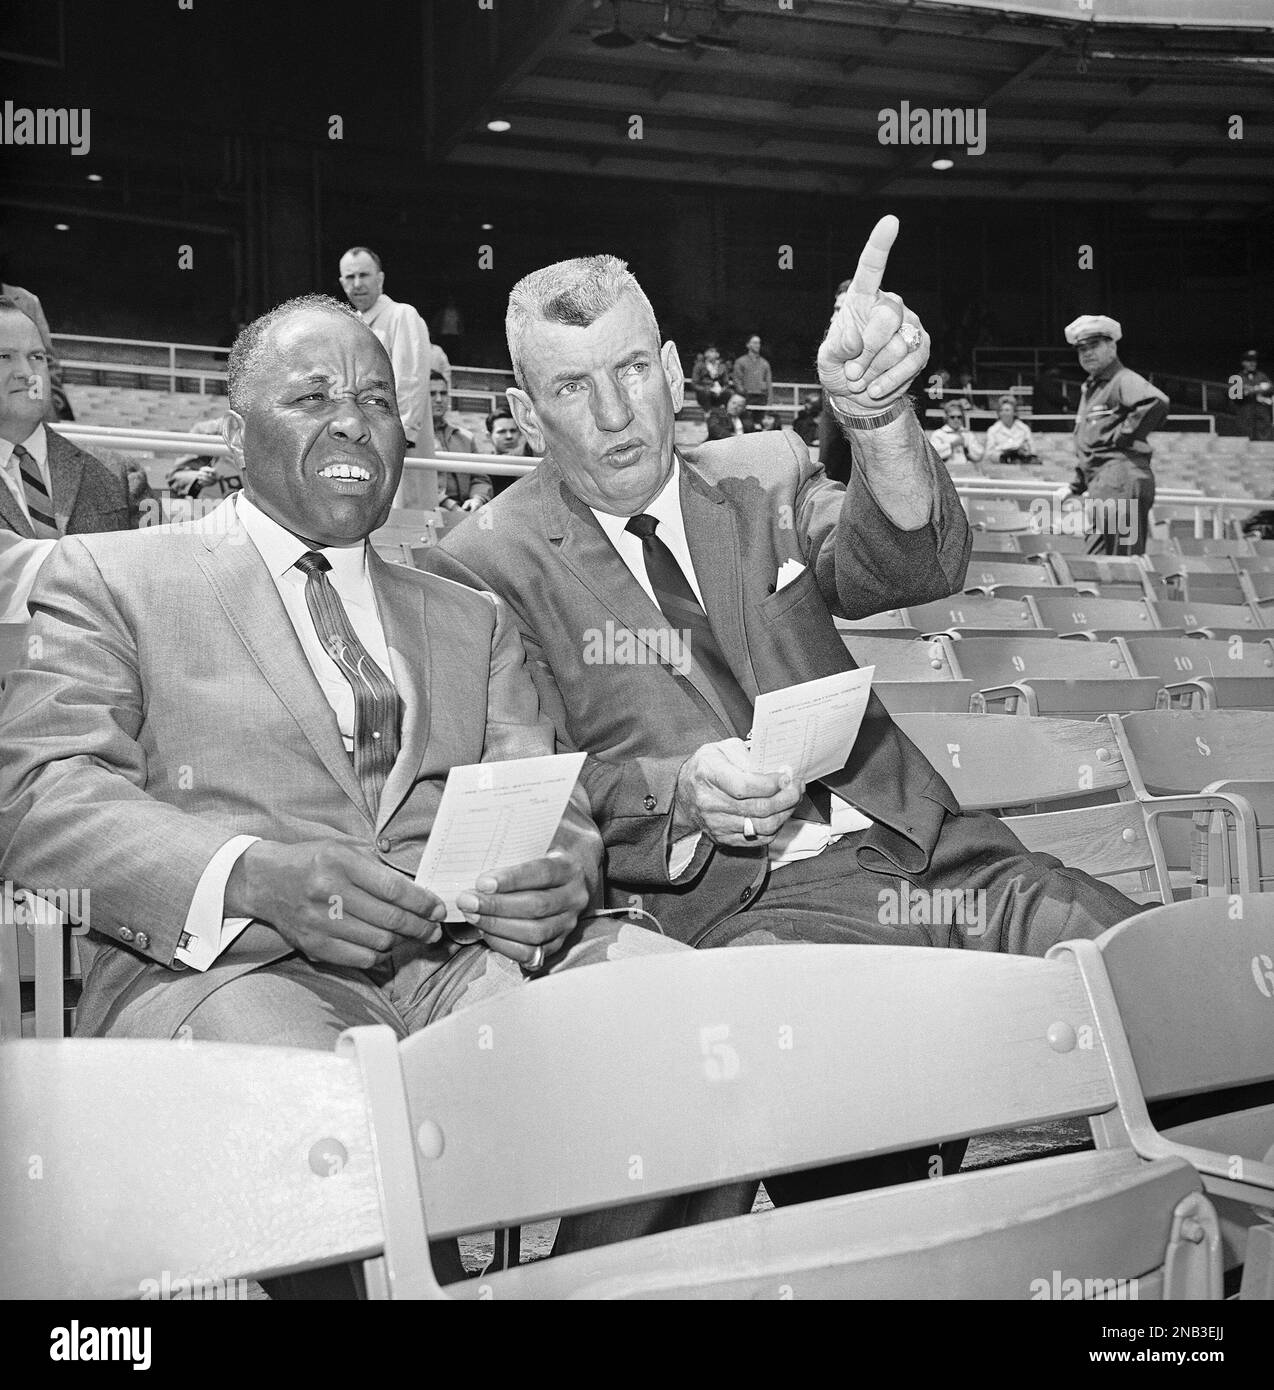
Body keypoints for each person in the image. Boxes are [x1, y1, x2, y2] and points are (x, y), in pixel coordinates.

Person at [425, 228, 1143, 1219]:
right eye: (569, 388)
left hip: (935, 856)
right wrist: (678, 790)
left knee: (1177, 998)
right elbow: (530, 796)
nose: (613, 411)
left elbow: (907, 566)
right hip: (747, 910)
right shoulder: (478, 561)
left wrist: (880, 418)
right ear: (518, 410)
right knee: (703, 1112)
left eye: (632, 369)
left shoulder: (760, 468)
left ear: (672, 369)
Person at [0, 294, 692, 1283]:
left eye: (375, 396)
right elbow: (44, 797)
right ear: (233, 430)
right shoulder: (112, 578)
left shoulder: (469, 616)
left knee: (689, 1021)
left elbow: (553, 801)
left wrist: (557, 867)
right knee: (334, 1128)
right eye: (312, 393)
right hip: (236, 975)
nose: (351, 417)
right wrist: (256, 878)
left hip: (464, 962)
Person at [0, 299, 150, 540]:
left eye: (37, 357)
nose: (28, 373)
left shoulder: (121, 477)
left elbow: (153, 572)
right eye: (5, 356)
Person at [1065, 313, 1168, 557]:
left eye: (1094, 346)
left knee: (1124, 567)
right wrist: (1076, 485)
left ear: (1112, 346)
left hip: (1120, 478)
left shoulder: (1122, 379)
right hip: (1102, 483)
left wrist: (1121, 438)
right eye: (1081, 349)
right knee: (1097, 564)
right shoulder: (1092, 387)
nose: (1087, 353)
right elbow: (1090, 444)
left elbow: (1156, 401)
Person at [337, 246, 437, 462]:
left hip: (396, 443)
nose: (357, 284)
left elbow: (410, 380)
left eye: (364, 275)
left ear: (380, 279)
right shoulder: (348, 325)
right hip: (360, 439)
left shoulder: (402, 315)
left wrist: (403, 434)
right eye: (350, 277)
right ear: (342, 283)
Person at [430, 371, 492, 511]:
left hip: (466, 510)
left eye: (443, 393)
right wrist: (448, 504)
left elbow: (480, 478)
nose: (439, 399)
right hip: (430, 511)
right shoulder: (411, 440)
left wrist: (477, 498)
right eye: (432, 394)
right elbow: (412, 483)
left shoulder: (465, 437)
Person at [485, 407, 534, 496]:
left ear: (520, 433)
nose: (509, 436)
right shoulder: (483, 469)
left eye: (513, 431)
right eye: (502, 432)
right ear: (489, 436)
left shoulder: (531, 459)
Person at [928, 397, 984, 468]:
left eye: (959, 417)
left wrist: (966, 447)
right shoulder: (939, 434)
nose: (956, 420)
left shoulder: (968, 434)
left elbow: (979, 456)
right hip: (947, 470)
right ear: (946, 418)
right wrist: (952, 445)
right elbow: (932, 455)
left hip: (966, 469)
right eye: (952, 417)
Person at [983, 394, 1037, 465]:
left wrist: (1024, 451)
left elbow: (1032, 449)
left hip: (1022, 461)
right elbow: (989, 453)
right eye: (1001, 410)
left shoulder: (1024, 428)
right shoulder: (993, 430)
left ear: (1014, 412)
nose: (1004, 413)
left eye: (1007, 410)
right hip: (1002, 462)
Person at [1235, 349, 1273, 442]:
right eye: (1249, 361)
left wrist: (1251, 390)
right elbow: (1235, 396)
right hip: (1245, 416)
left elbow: (1271, 388)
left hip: (1262, 416)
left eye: (1254, 361)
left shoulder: (1262, 376)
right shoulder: (1237, 377)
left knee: (1264, 443)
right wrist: (1257, 389)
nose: (1253, 364)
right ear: (1243, 363)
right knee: (1244, 442)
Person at [732, 334, 771, 410]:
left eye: (759, 343)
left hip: (761, 397)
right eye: (755, 343)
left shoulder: (765, 363)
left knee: (760, 420)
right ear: (748, 345)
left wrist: (770, 400)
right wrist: (743, 394)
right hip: (746, 396)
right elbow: (737, 380)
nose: (757, 345)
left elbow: (768, 382)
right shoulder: (740, 361)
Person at [691, 345, 731, 411]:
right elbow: (694, 384)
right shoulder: (699, 366)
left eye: (712, 352)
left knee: (730, 393)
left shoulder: (722, 366)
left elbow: (726, 383)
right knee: (706, 393)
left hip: (719, 392)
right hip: (704, 393)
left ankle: (728, 416)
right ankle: (708, 413)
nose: (708, 354)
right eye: (707, 352)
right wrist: (707, 389)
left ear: (717, 354)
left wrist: (721, 390)